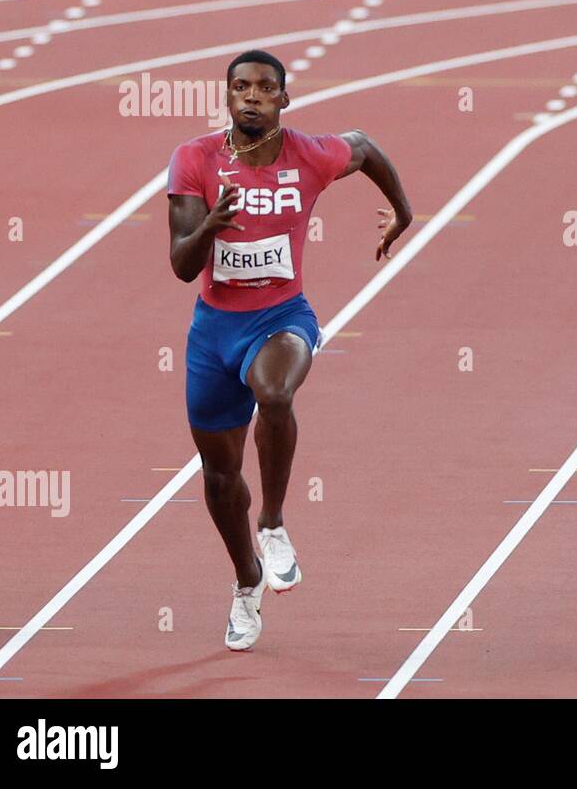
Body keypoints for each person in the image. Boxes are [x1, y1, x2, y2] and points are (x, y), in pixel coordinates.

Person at [167, 50, 413, 649]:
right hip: (214, 331)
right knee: (220, 476)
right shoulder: (195, 160)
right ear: (227, 97)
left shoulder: (310, 153)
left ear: (283, 98)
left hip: (282, 317)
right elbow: (181, 265)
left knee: (275, 391)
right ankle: (247, 579)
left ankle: (273, 524)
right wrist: (208, 227)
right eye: (241, 87)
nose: (251, 96)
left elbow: (365, 146)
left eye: (265, 88)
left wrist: (403, 212)